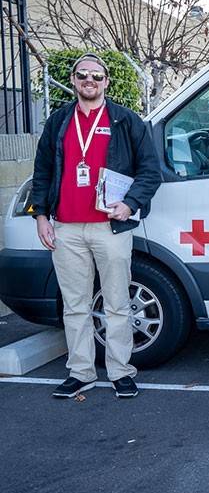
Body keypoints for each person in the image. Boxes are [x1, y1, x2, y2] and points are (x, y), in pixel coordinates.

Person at [31, 52, 161, 399]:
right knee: (75, 306)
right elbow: (42, 172)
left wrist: (129, 203)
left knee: (118, 303)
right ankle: (81, 372)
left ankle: (121, 371)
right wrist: (41, 215)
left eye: (96, 76)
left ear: (106, 82)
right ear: (73, 80)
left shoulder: (126, 121)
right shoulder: (58, 122)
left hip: (110, 228)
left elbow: (151, 171)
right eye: (83, 75)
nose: (90, 81)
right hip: (67, 229)